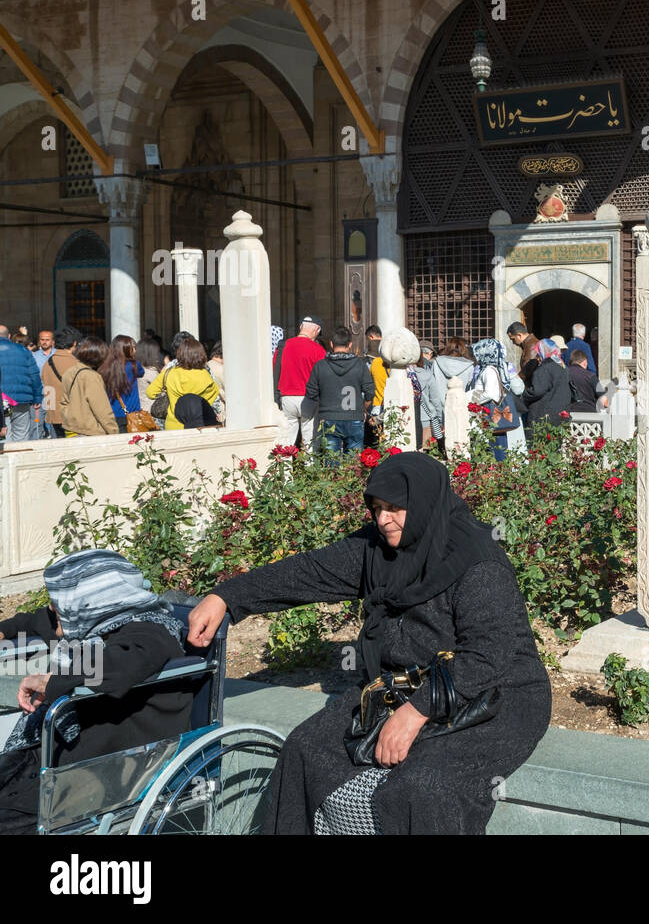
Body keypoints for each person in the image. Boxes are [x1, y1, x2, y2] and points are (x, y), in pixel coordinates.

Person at [186, 452, 551, 834]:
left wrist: (415, 713)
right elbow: (309, 572)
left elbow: (488, 655)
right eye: (376, 508)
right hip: (403, 685)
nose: (383, 520)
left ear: (426, 504)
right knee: (305, 749)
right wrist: (226, 597)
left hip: (495, 694)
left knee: (424, 788)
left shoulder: (478, 564)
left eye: (395, 508)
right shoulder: (378, 548)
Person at [0, 550, 192, 834]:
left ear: (90, 600)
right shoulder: (91, 626)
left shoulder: (152, 632)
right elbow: (35, 621)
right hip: (57, 751)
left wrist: (49, 681)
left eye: (61, 602)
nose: (54, 610)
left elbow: (120, 666)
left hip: (109, 764)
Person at [305, 327, 373, 458]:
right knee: (353, 465)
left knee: (331, 464)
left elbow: (311, 394)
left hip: (329, 418)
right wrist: (364, 409)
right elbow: (370, 392)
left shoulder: (320, 366)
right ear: (350, 345)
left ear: (331, 344)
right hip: (354, 417)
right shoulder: (359, 365)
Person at [146, 337, 220, 431]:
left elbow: (150, 393)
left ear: (179, 354)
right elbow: (213, 398)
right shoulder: (206, 376)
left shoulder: (169, 373)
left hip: (173, 426)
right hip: (198, 426)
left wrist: (168, 391)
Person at [469, 338, 526, 459]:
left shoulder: (487, 370)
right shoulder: (503, 367)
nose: (475, 356)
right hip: (495, 415)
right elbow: (518, 388)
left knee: (496, 450)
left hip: (491, 414)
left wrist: (472, 400)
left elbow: (491, 394)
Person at [275, 316, 326, 448]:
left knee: (287, 440)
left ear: (300, 328)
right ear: (316, 330)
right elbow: (322, 377)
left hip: (286, 397)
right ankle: (309, 467)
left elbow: (275, 369)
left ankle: (285, 468)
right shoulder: (318, 350)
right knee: (310, 440)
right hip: (308, 398)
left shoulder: (283, 346)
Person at [421, 337, 475, 451]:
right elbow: (470, 387)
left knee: (439, 445)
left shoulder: (437, 362)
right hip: (460, 406)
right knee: (460, 443)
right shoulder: (470, 366)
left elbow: (432, 384)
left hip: (438, 406)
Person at [59, 335, 118, 437]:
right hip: (89, 431)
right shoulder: (91, 377)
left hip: (71, 429)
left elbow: (63, 402)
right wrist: (114, 431)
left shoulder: (69, 372)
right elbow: (102, 410)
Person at [520, 338, 573, 433]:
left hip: (543, 417)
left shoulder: (544, 368)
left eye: (538, 353)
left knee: (538, 446)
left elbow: (537, 391)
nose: (537, 357)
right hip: (560, 415)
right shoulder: (563, 367)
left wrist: (523, 394)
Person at [0, 325, 42, 442]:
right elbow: (34, 374)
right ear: (9, 336)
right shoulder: (23, 350)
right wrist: (37, 397)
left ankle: (6, 459)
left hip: (2, 400)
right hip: (21, 399)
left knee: (3, 435)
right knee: (21, 434)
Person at [100, 334, 146, 434]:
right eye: (132, 347)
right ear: (126, 349)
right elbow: (141, 373)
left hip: (112, 414)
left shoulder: (105, 367)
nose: (135, 349)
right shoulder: (134, 365)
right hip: (132, 413)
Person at [40, 327, 81, 439]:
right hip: (73, 417)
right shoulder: (77, 364)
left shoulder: (47, 364)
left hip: (53, 415)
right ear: (74, 343)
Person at [363, 325, 387, 448]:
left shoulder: (373, 362)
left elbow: (367, 385)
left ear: (371, 337)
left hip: (376, 405)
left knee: (373, 444)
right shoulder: (388, 351)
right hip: (389, 403)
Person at [135, 337, 164, 413]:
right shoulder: (151, 373)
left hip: (137, 411)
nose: (158, 355)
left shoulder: (135, 369)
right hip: (150, 414)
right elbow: (163, 393)